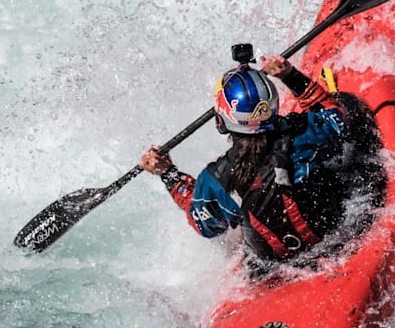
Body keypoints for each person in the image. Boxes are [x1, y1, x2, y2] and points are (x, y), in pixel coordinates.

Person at [140, 54, 379, 272]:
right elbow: (335, 118)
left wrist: (168, 173)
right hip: (341, 230)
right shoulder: (303, 132)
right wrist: (290, 76)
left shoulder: (215, 179)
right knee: (347, 104)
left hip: (277, 264)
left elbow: (203, 223)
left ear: (222, 122)